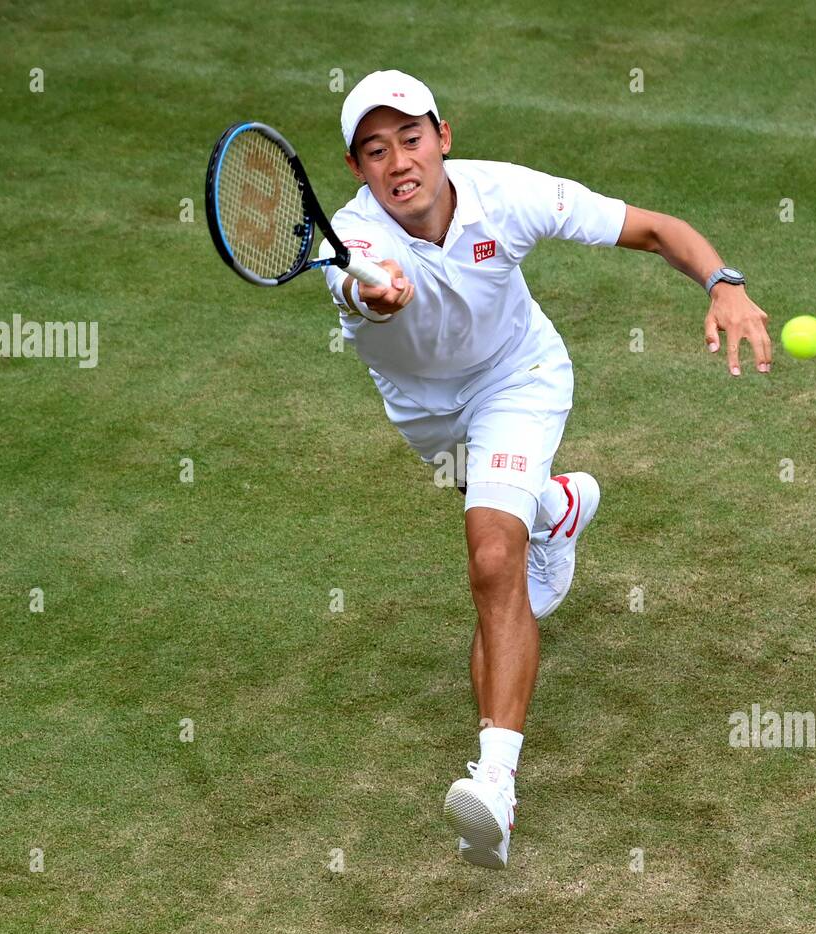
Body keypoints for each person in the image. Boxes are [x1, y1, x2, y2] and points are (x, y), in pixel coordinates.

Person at [321, 69, 772, 869]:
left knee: (494, 556)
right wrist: (378, 293)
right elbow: (370, 292)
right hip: (427, 418)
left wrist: (723, 283)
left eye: (412, 138)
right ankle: (556, 509)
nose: (399, 162)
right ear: (358, 170)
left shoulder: (508, 195)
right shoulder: (349, 246)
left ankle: (495, 784)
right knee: (507, 526)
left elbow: (654, 228)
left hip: (517, 382)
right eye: (375, 150)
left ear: (443, 137)